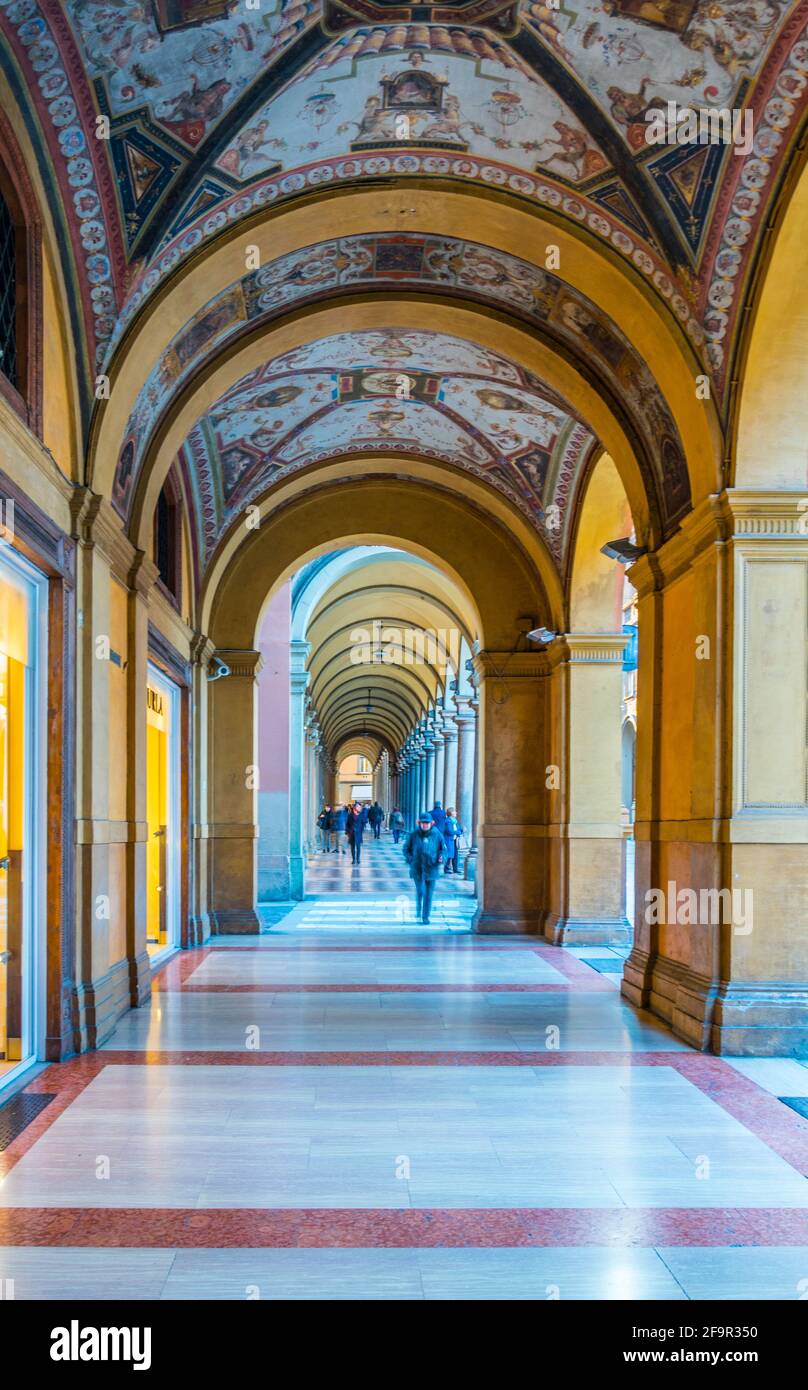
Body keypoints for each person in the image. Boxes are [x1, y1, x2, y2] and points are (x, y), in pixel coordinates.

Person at [404, 810, 445, 924]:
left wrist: (441, 857)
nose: (425, 825)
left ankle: (425, 916)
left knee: (429, 894)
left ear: (432, 823)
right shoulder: (414, 834)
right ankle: (418, 908)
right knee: (421, 891)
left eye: (427, 823)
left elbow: (443, 849)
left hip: (432, 869)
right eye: (423, 823)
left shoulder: (437, 834)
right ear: (419, 823)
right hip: (417, 868)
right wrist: (411, 859)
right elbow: (406, 849)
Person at [443, 806, 462, 873]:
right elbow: (450, 831)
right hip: (449, 840)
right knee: (449, 855)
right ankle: (446, 868)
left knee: (455, 854)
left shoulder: (454, 821)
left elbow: (458, 829)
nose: (456, 812)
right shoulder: (448, 821)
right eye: (454, 811)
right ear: (451, 813)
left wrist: (461, 830)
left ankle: (455, 869)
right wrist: (458, 832)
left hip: (454, 840)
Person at [346, 801, 364, 866]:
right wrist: (348, 832)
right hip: (352, 833)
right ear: (355, 807)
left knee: (358, 847)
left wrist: (361, 831)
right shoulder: (350, 815)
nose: (359, 808)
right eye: (358, 807)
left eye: (360, 807)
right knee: (352, 847)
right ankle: (353, 859)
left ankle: (358, 859)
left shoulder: (361, 815)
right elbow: (347, 824)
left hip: (358, 834)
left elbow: (363, 824)